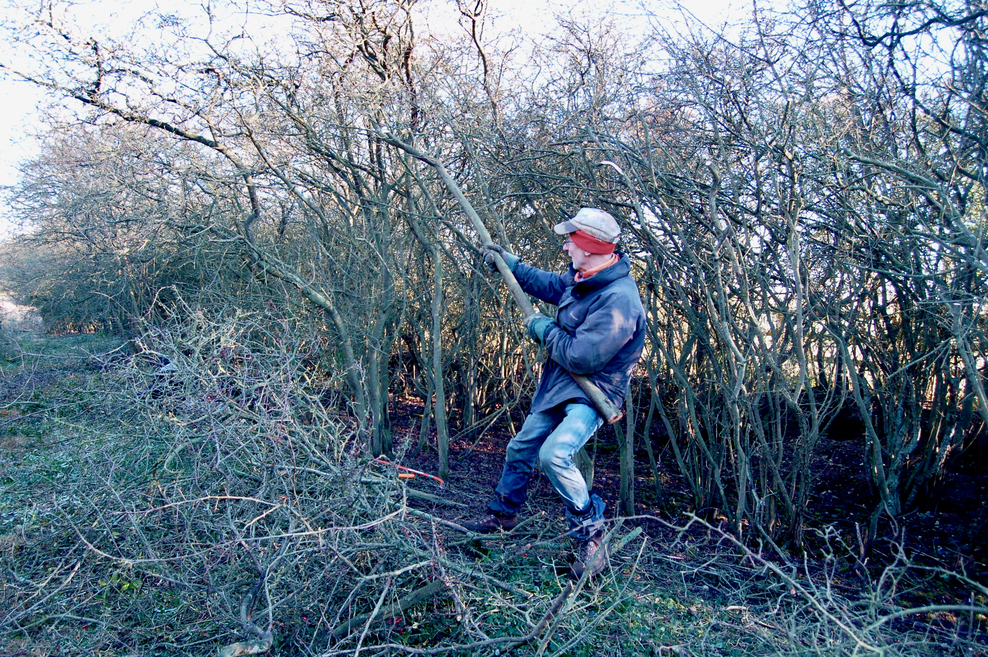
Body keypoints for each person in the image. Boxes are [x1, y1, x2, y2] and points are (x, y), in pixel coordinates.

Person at [463, 208, 646, 579]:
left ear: (590, 247)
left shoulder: (619, 300)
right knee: (521, 447)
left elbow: (582, 356)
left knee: (555, 454)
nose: (565, 247)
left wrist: (544, 330)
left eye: (571, 241)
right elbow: (550, 285)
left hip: (593, 392)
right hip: (562, 384)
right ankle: (503, 516)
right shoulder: (585, 277)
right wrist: (510, 264)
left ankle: (591, 533)